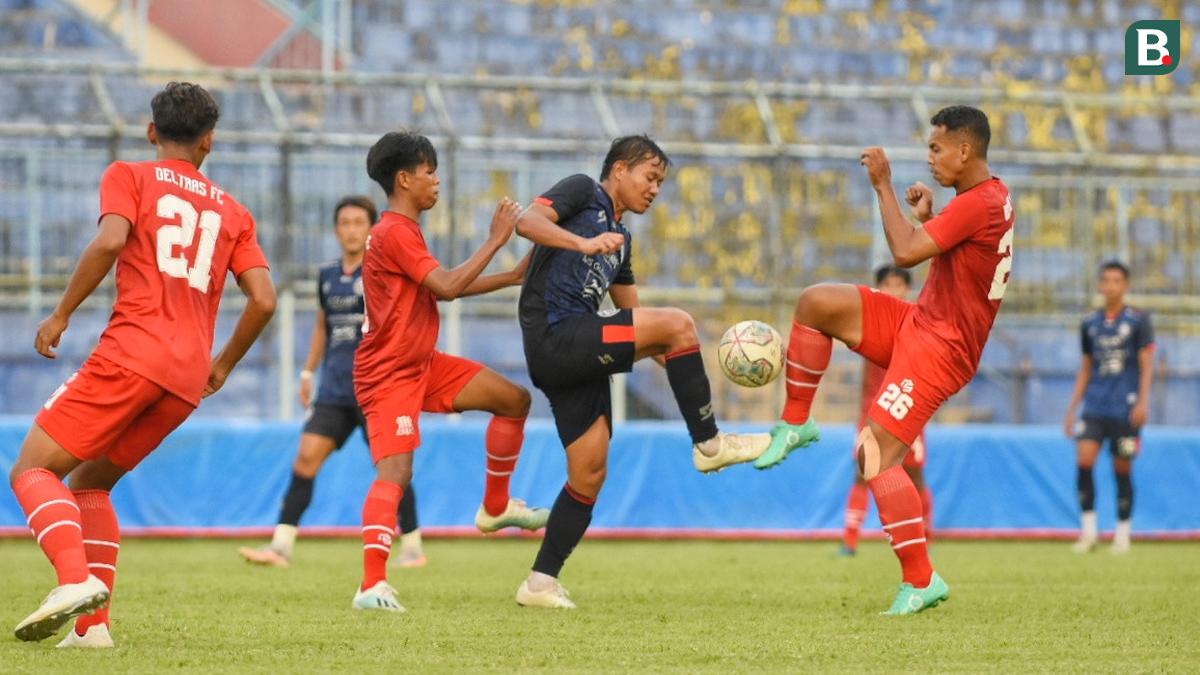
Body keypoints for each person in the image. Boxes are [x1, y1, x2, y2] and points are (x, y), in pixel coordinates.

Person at [8, 82, 276, 646]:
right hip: (184, 378)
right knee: (91, 486)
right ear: (210, 141)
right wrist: (222, 366)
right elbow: (264, 299)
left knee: (31, 470)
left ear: (153, 131)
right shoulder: (234, 211)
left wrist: (60, 314)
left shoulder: (130, 175)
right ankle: (92, 629)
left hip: (133, 352)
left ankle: (72, 582)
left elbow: (109, 243)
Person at [754, 106, 1015, 615]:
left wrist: (882, 185)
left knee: (873, 456)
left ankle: (921, 581)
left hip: (941, 348)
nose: (931, 158)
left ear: (965, 150)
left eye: (937, 148)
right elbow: (960, 256)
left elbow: (903, 253)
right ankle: (796, 423)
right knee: (816, 304)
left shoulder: (979, 202)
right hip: (922, 322)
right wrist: (930, 220)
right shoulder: (988, 198)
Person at [511, 135, 770, 609]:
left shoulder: (622, 240)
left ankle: (540, 582)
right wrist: (584, 242)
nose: (655, 190)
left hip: (577, 353)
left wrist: (686, 355)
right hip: (557, 334)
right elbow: (524, 221)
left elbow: (641, 321)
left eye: (661, 183)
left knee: (589, 474)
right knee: (677, 323)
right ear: (620, 170)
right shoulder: (582, 191)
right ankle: (710, 443)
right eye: (650, 178)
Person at [351, 131, 548, 612]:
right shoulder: (395, 231)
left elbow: (438, 290)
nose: (437, 181)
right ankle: (371, 585)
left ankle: (496, 507)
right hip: (389, 372)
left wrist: (512, 277)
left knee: (513, 400)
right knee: (396, 471)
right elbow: (449, 286)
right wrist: (496, 241)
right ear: (404, 178)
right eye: (429, 171)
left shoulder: (404, 231)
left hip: (421, 361)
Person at [238, 196, 425, 569]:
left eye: (359, 222)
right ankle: (281, 547)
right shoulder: (327, 275)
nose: (352, 229)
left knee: (394, 469)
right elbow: (324, 323)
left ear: (372, 229)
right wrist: (308, 372)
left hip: (377, 388)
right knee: (306, 458)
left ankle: (413, 547)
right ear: (336, 229)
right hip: (336, 389)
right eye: (345, 222)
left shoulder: (383, 271)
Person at [840, 265, 933, 557]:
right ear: (879, 287)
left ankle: (924, 537)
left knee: (915, 477)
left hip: (908, 408)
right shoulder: (871, 323)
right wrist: (862, 413)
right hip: (873, 411)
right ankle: (850, 541)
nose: (894, 290)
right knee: (863, 472)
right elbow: (868, 377)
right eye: (888, 284)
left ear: (907, 289)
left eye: (899, 285)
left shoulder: (919, 323)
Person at [1063, 260, 1153, 555]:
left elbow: (1146, 364)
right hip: (1095, 406)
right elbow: (1086, 367)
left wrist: (1142, 400)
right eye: (1106, 280)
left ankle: (1122, 533)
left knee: (1121, 468)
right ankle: (1089, 532)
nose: (1111, 285)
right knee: (1084, 461)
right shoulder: (1089, 323)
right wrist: (1072, 408)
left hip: (1125, 408)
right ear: (1100, 285)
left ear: (1125, 286)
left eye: (1117, 280)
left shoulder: (1139, 321)